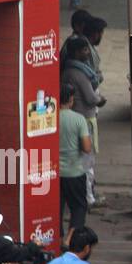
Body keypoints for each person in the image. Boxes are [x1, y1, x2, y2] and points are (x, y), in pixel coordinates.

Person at [60, 35, 104, 206]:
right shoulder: (78, 73)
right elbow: (91, 97)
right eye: (85, 50)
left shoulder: (71, 70)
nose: (88, 53)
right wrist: (100, 99)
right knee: (87, 162)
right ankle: (88, 198)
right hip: (85, 119)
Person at [58, 80, 92, 234]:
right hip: (75, 172)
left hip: (56, 173)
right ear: (71, 99)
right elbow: (86, 148)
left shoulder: (51, 118)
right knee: (78, 207)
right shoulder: (79, 119)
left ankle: (58, 238)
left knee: (57, 209)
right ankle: (70, 238)